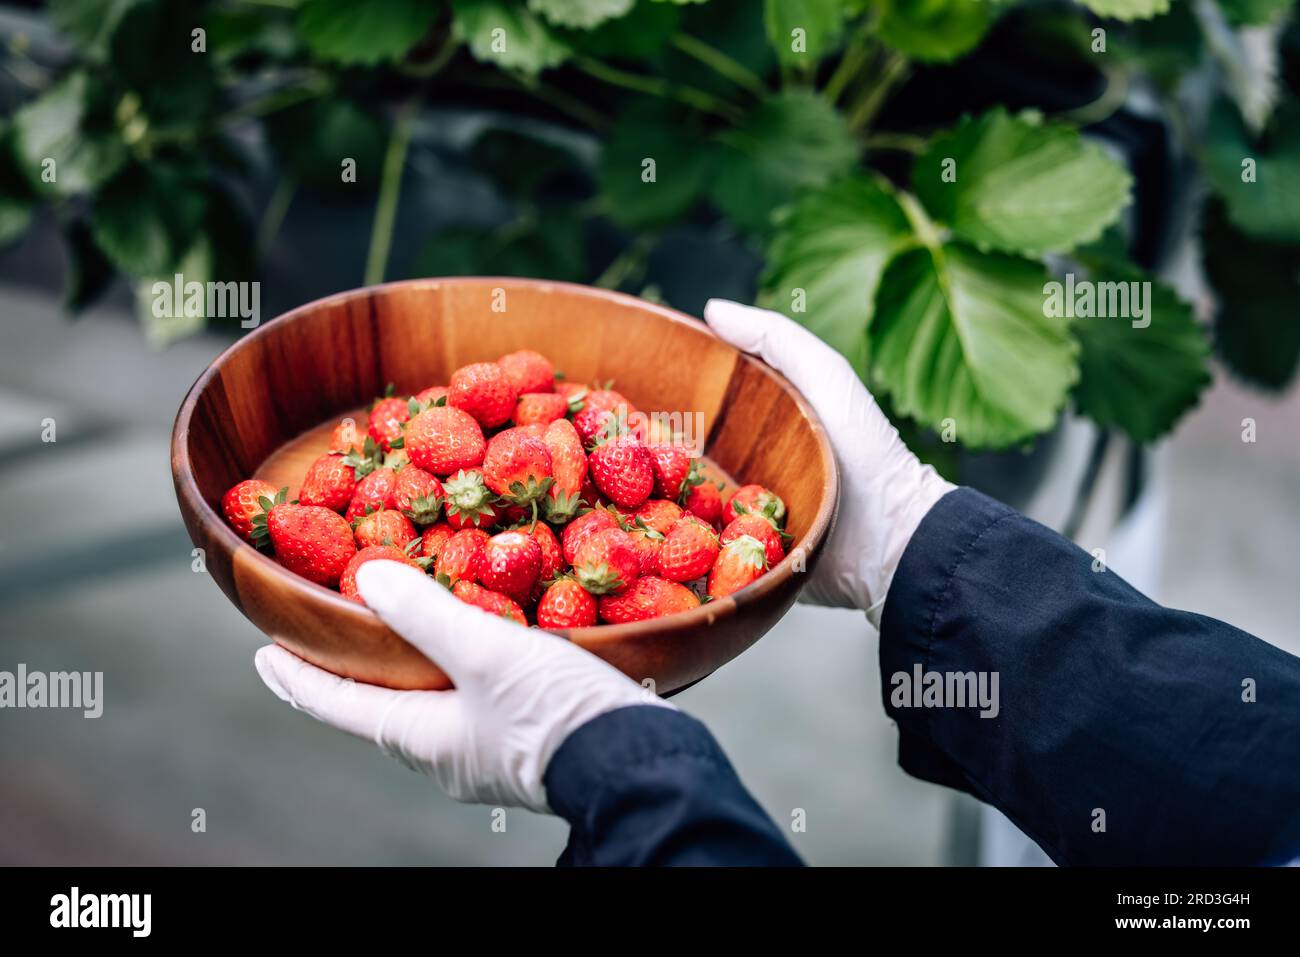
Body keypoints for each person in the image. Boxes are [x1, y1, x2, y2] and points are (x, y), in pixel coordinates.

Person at [255, 300, 1300, 867]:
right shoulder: (508, 470)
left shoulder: (585, 517)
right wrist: (911, 545)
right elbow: (1264, 775)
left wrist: (615, 768)